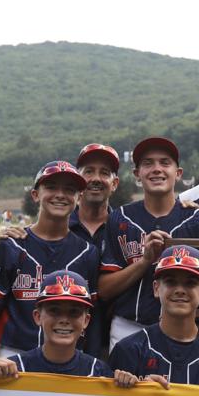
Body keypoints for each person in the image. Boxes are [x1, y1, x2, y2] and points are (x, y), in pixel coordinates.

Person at [99, 137, 199, 349]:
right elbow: (105, 289)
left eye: (165, 162)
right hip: (128, 325)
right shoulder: (120, 218)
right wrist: (144, 262)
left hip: (185, 327)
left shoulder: (198, 220)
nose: (156, 169)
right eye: (148, 163)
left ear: (178, 173)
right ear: (137, 175)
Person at [0, 161, 100, 359]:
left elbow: (92, 316)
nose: (60, 194)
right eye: (51, 187)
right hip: (15, 354)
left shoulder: (87, 252)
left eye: (69, 189)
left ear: (79, 197)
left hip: (70, 356)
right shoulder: (12, 245)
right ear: (35, 194)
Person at [110, 245, 199, 390]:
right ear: (156, 288)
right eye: (170, 282)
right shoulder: (129, 350)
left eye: (190, 283)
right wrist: (136, 390)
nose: (180, 290)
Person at [0, 271, 113, 379]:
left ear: (86, 320)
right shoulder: (13, 368)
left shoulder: (99, 372)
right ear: (37, 316)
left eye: (74, 312)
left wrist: (125, 385)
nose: (64, 320)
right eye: (54, 311)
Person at [70, 143, 121, 355]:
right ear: (78, 179)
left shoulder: (126, 227)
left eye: (104, 173)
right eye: (89, 171)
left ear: (115, 183)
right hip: (61, 335)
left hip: (113, 339)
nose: (96, 178)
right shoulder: (59, 225)